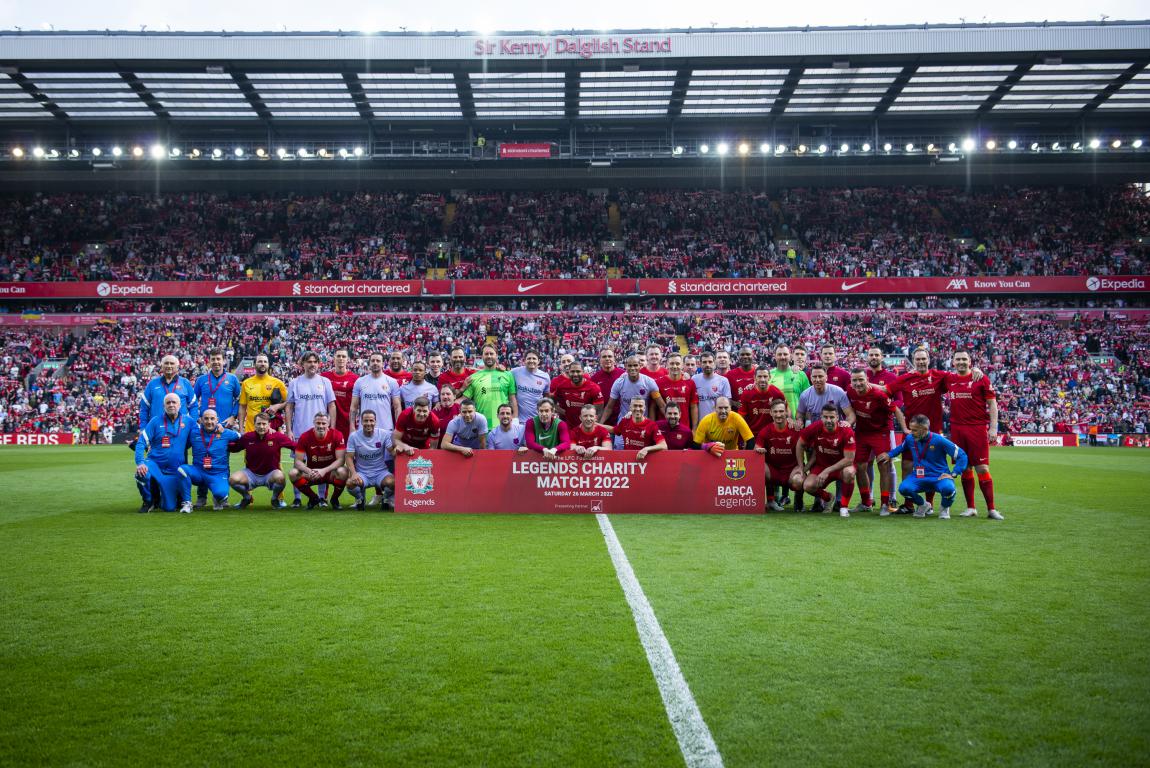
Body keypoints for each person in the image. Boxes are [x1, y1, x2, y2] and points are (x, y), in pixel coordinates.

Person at [944, 351, 1002, 519]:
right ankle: (971, 508)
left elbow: (992, 404)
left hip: (977, 428)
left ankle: (991, 509)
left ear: (970, 361)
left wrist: (993, 428)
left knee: (982, 468)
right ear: (953, 362)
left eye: (964, 359)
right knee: (965, 468)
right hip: (957, 429)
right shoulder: (949, 379)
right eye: (958, 359)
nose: (961, 362)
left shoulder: (981, 378)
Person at [879, 415, 968, 520]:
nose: (911, 432)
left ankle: (944, 507)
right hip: (918, 477)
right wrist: (889, 455)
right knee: (904, 488)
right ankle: (923, 505)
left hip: (939, 477)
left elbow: (962, 455)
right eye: (911, 429)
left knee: (949, 489)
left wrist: (954, 473)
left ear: (925, 429)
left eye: (915, 430)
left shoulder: (939, 440)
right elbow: (901, 448)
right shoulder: (910, 438)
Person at [285, 351, 337, 507]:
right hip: (300, 431)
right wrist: (289, 429)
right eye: (309, 361)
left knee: (321, 464)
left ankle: (321, 498)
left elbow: (331, 406)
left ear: (318, 364)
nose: (312, 364)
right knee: (298, 465)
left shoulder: (325, 381)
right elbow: (289, 407)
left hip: (321, 432)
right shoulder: (295, 382)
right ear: (303, 364)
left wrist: (332, 428)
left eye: (315, 361)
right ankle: (298, 498)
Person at [847, 368, 897, 515]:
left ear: (867, 379)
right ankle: (866, 503)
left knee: (884, 466)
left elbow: (895, 410)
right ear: (851, 382)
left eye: (860, 379)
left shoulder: (879, 395)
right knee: (860, 467)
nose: (858, 383)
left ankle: (884, 504)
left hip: (880, 433)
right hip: (862, 433)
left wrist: (905, 428)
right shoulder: (850, 391)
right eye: (854, 380)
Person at [134, 393, 195, 513]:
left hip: (175, 470)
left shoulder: (189, 422)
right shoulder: (155, 421)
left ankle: (162, 497)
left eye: (174, 402)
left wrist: (219, 428)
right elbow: (141, 443)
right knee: (141, 473)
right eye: (168, 402)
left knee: (169, 508)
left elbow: (202, 434)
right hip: (155, 464)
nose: (171, 405)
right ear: (163, 406)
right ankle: (148, 501)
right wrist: (140, 462)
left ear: (180, 405)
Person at [795, 404, 858, 517]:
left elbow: (849, 459)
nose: (829, 420)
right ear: (821, 417)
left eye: (832, 417)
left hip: (840, 467)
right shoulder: (815, 427)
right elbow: (800, 443)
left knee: (849, 472)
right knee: (807, 485)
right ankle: (828, 498)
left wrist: (827, 470)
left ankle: (844, 507)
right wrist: (801, 467)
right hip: (821, 466)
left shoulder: (846, 431)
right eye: (826, 417)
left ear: (838, 417)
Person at [179, 408, 241, 511]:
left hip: (218, 473)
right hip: (199, 472)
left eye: (212, 419)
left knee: (221, 494)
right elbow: (180, 444)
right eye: (206, 419)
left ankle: (218, 497)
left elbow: (243, 437)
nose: (209, 422)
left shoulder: (225, 433)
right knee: (182, 470)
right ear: (201, 420)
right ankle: (187, 503)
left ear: (217, 420)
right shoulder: (194, 433)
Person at [229, 411, 294, 509]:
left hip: (270, 474)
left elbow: (295, 446)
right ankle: (246, 497)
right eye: (258, 424)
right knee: (233, 480)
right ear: (254, 425)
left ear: (269, 425)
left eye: (264, 424)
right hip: (251, 473)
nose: (261, 426)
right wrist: (222, 442)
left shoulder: (277, 436)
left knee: (280, 477)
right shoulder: (247, 437)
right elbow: (235, 448)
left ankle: (274, 499)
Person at [290, 412, 348, 509]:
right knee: (293, 473)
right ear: (314, 423)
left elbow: (341, 460)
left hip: (330, 473)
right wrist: (309, 471)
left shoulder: (337, 435)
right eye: (318, 423)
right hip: (312, 473)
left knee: (343, 471)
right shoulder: (305, 436)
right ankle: (313, 498)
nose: (321, 426)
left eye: (323, 423)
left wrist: (324, 470)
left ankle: (334, 499)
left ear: (328, 424)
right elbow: (298, 461)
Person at [603, 356, 664, 446]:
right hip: (623, 424)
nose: (632, 368)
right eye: (630, 366)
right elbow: (609, 407)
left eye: (635, 365)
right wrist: (600, 423)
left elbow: (661, 405)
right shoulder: (619, 382)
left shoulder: (649, 382)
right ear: (625, 366)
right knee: (620, 452)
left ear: (640, 366)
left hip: (643, 425)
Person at [754, 400, 802, 512]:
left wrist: (802, 467)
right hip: (774, 470)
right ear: (770, 413)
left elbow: (811, 447)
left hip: (791, 471)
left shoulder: (796, 429)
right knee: (759, 467)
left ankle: (799, 502)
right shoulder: (765, 431)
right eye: (775, 411)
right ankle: (770, 501)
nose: (778, 414)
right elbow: (755, 450)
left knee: (799, 481)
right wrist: (758, 450)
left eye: (781, 411)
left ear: (786, 413)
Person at [345, 409, 395, 510]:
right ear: (361, 421)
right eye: (366, 421)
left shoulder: (384, 434)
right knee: (350, 483)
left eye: (371, 421)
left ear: (375, 422)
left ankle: (385, 500)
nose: (369, 423)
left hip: (381, 472)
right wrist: (354, 474)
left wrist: (402, 450)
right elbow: (349, 457)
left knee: (394, 482)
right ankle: (360, 499)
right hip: (362, 473)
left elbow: (393, 452)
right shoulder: (354, 436)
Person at [462, 344, 518, 426]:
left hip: (502, 425)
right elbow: (464, 399)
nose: (489, 356)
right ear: (482, 356)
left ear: (496, 355)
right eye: (486, 354)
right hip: (481, 427)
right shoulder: (473, 377)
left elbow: (512, 399)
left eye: (491, 354)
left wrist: (515, 419)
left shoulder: (507, 375)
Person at [139, 354, 198, 430]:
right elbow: (144, 408)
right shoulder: (152, 384)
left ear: (177, 367)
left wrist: (192, 426)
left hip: (181, 430)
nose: (169, 366)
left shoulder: (185, 383)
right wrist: (143, 427)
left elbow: (193, 406)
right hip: (157, 429)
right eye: (166, 363)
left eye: (172, 363)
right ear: (162, 366)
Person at [350, 352, 402, 433]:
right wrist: (352, 427)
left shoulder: (392, 382)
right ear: (369, 363)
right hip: (364, 429)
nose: (375, 363)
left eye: (378, 361)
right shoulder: (360, 381)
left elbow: (397, 407)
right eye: (373, 361)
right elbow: (353, 407)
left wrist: (398, 429)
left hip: (386, 429)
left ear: (383, 363)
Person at [238, 353, 288, 433]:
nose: (263, 364)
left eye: (265, 362)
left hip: (270, 430)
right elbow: (242, 407)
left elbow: (289, 402)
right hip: (251, 429)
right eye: (260, 361)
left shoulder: (278, 383)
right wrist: (241, 429)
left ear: (268, 364)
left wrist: (277, 406)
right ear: (254, 364)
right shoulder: (246, 383)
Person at [193, 348, 241, 430]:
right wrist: (197, 418)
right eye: (213, 359)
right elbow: (193, 401)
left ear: (224, 361)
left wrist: (233, 417)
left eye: (218, 359)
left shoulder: (232, 379)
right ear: (209, 361)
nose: (216, 362)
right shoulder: (201, 379)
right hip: (205, 425)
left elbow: (239, 399)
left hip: (226, 425)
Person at [550, 364, 604, 429]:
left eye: (578, 371)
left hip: (587, 429)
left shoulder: (593, 388)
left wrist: (593, 428)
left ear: (583, 372)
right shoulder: (562, 386)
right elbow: (552, 401)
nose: (575, 374)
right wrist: (563, 412)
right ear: (569, 372)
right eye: (572, 371)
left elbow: (599, 411)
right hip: (569, 429)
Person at [738, 368, 787, 436]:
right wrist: (745, 436)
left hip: (771, 434)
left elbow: (786, 409)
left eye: (765, 376)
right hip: (752, 434)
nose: (762, 379)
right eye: (759, 376)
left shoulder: (776, 393)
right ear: (754, 378)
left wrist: (789, 420)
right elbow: (741, 417)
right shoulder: (747, 393)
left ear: (769, 377)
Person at [767, 345, 810, 423]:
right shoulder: (768, 375)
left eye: (785, 354)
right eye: (779, 354)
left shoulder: (800, 374)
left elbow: (808, 401)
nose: (783, 357)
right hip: (773, 423)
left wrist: (807, 422)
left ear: (790, 356)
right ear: (775, 356)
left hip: (796, 423)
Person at [322, 348, 359, 438]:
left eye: (343, 356)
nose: (341, 358)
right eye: (338, 356)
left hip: (347, 422)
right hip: (327, 422)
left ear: (348, 360)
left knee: (348, 451)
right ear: (334, 358)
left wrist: (353, 424)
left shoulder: (355, 379)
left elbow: (357, 404)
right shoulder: (324, 377)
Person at [656, 354, 699, 428]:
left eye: (677, 364)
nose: (675, 366)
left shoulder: (690, 383)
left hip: (684, 427)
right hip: (663, 428)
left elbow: (693, 407)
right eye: (672, 363)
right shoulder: (658, 383)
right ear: (667, 365)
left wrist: (694, 428)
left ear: (682, 365)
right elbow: (653, 407)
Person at [511, 351, 551, 423]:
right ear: (524, 360)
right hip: (519, 421)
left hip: (537, 420)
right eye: (529, 358)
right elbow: (504, 374)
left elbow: (546, 397)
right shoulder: (515, 372)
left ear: (538, 361)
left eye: (534, 358)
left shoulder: (545, 377)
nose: (531, 361)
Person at [691, 351, 731, 421]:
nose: (707, 364)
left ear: (714, 363)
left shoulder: (723, 381)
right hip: (701, 424)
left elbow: (727, 405)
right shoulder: (694, 379)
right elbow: (693, 405)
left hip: (718, 424)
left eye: (710, 362)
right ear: (700, 364)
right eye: (704, 362)